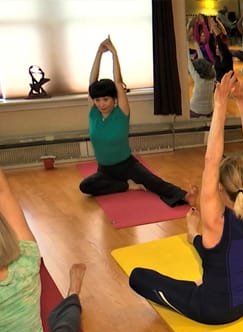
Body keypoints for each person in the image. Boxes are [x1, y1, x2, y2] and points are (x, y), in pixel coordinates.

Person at [129, 71, 243, 325]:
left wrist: (220, 103)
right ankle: (197, 254)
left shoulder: (215, 219)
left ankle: (198, 275)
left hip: (217, 310)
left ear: (220, 189)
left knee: (138, 276)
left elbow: (211, 158)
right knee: (210, 253)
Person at [80, 37, 196, 207]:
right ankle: (127, 186)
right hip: (104, 170)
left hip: (127, 166)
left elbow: (118, 83)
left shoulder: (121, 114)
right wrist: (98, 53)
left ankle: (185, 196)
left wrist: (114, 54)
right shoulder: (94, 115)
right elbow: (92, 82)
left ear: (114, 99)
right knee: (85, 186)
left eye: (105, 99)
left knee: (154, 182)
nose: (101, 104)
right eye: (97, 100)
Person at [0, 166, 86, 332]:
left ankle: (72, 295)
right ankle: (72, 295)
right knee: (63, 331)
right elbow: (3, 193)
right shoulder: (27, 264)